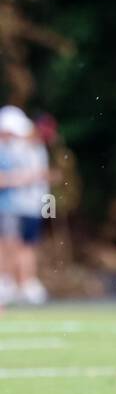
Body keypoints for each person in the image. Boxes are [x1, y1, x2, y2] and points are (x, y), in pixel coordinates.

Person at [0, 105, 49, 304]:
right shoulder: (6, 150)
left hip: (28, 206)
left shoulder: (33, 148)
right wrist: (23, 178)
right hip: (9, 206)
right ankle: (7, 281)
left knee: (25, 245)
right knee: (8, 244)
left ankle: (25, 283)